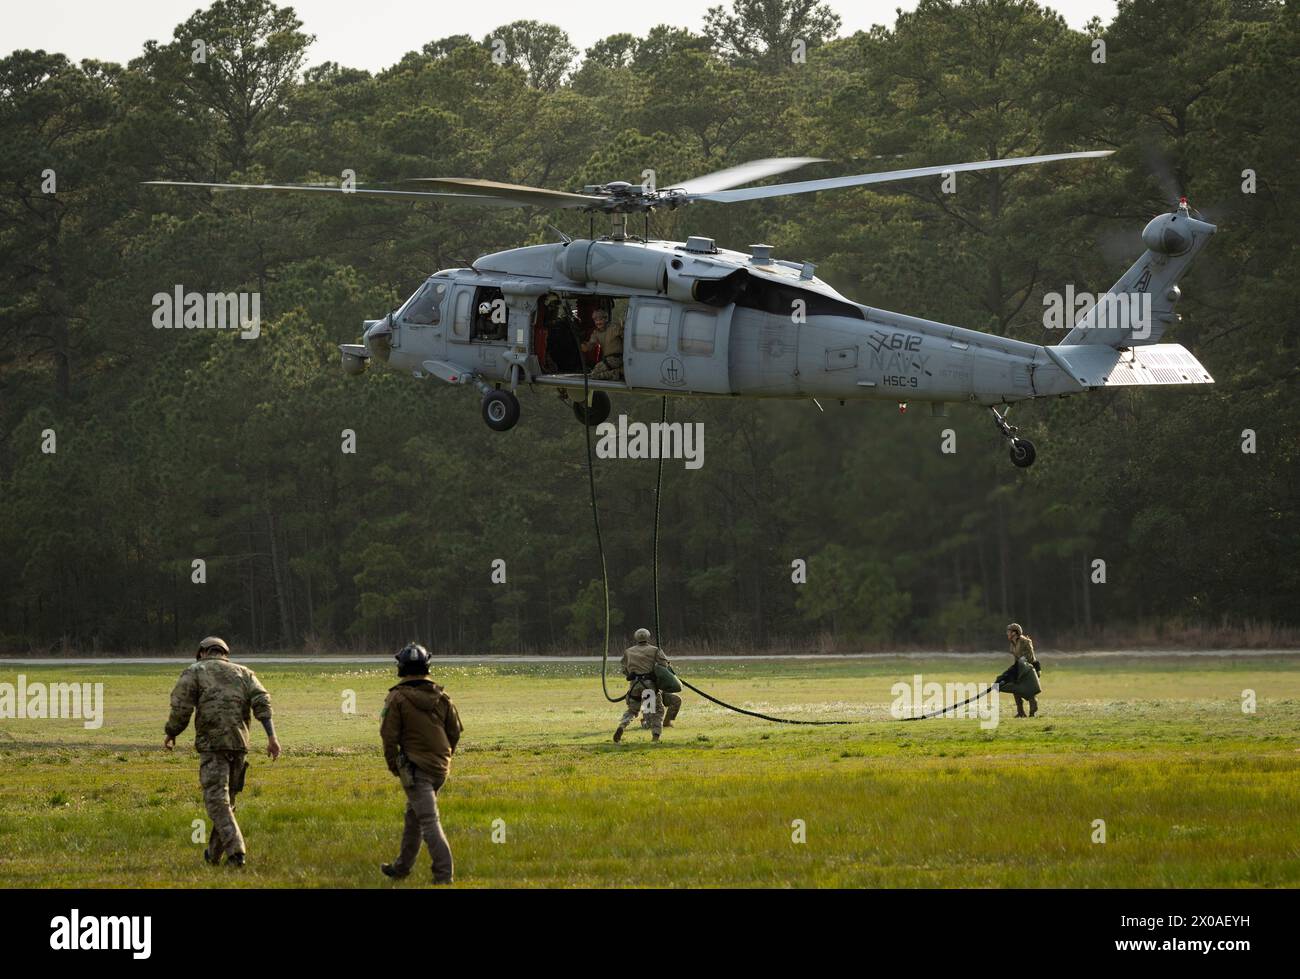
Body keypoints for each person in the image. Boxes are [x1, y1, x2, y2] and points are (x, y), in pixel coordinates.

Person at [164, 636, 280, 867]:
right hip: (239, 745)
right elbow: (262, 702)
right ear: (225, 652)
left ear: (202, 652)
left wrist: (172, 731)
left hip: (213, 745)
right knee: (227, 802)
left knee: (216, 802)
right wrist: (271, 737)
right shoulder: (245, 673)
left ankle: (237, 853)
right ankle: (213, 855)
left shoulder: (195, 670)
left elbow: (181, 706)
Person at [380, 642, 463, 884]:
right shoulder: (442, 696)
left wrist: (395, 766)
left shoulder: (396, 698)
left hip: (417, 770)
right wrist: (445, 757)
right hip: (439, 768)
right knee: (413, 818)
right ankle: (401, 867)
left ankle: (443, 875)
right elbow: (455, 732)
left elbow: (388, 737)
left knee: (428, 822)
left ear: (402, 668)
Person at [615, 628, 672, 742]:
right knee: (657, 710)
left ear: (636, 637)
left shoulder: (628, 651)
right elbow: (664, 665)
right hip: (649, 686)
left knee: (632, 710)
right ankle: (655, 737)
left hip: (634, 685)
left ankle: (622, 725)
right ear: (648, 637)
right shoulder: (655, 650)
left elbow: (624, 669)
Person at [995, 622, 1041, 717]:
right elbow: (1017, 660)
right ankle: (1021, 712)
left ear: (1014, 633)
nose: (1007, 633)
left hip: (1030, 669)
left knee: (1030, 692)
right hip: (1021, 668)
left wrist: (1016, 668)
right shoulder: (1012, 644)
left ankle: (1033, 713)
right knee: (1016, 688)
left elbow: (1029, 658)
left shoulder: (1025, 642)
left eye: (1009, 631)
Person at [583, 307, 624, 380]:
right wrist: (585, 346)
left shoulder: (614, 328)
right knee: (594, 373)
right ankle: (617, 373)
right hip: (608, 359)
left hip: (617, 358)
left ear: (606, 319)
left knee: (594, 375)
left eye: (600, 319)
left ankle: (619, 373)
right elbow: (591, 344)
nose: (598, 322)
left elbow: (625, 337)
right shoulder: (596, 333)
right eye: (596, 320)